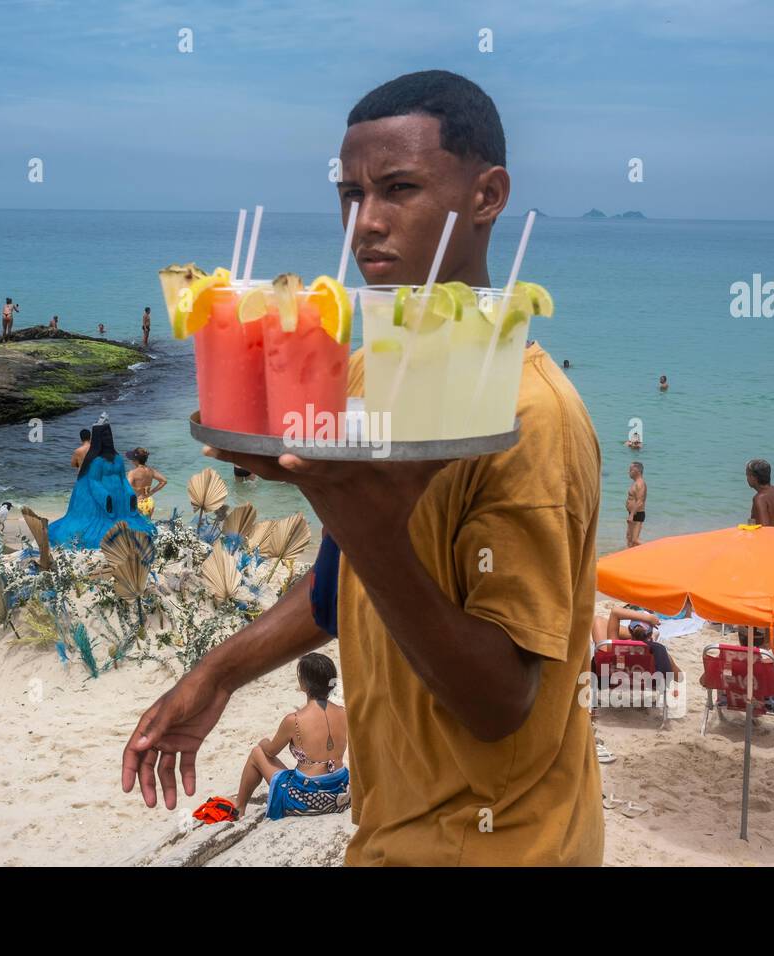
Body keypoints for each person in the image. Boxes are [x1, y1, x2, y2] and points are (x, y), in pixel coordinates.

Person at [123, 70, 604, 866]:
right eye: (350, 195)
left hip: (506, 844)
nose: (365, 224)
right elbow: (338, 586)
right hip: (386, 830)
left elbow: (501, 701)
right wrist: (217, 673)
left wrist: (359, 520)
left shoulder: (530, 417)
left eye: (399, 189)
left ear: (488, 196)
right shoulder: (363, 376)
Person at [227, 652, 349, 821]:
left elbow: (270, 751)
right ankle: (239, 805)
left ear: (304, 684)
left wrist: (264, 742)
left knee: (257, 753)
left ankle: (239, 807)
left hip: (308, 798)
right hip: (340, 790)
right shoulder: (344, 713)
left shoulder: (294, 720)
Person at [591, 605, 683, 682]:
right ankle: (646, 640)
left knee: (598, 621)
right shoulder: (659, 652)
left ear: (630, 630)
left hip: (614, 681)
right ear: (650, 634)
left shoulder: (615, 646)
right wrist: (668, 658)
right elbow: (680, 678)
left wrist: (648, 618)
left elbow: (615, 612)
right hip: (645, 686)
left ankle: (639, 638)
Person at [126, 447, 167, 518]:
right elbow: (164, 481)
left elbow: (126, 487)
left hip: (138, 503)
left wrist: (136, 489)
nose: (131, 460)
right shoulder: (151, 471)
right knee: (147, 523)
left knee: (135, 526)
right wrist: (151, 492)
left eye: (132, 459)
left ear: (136, 460)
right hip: (149, 502)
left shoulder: (132, 473)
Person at [625, 461, 646, 548]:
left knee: (634, 540)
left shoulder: (640, 484)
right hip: (633, 514)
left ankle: (651, 549)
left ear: (637, 471)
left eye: (630, 470)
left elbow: (640, 501)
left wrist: (632, 515)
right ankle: (629, 557)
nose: (629, 472)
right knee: (629, 538)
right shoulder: (636, 483)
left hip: (637, 514)